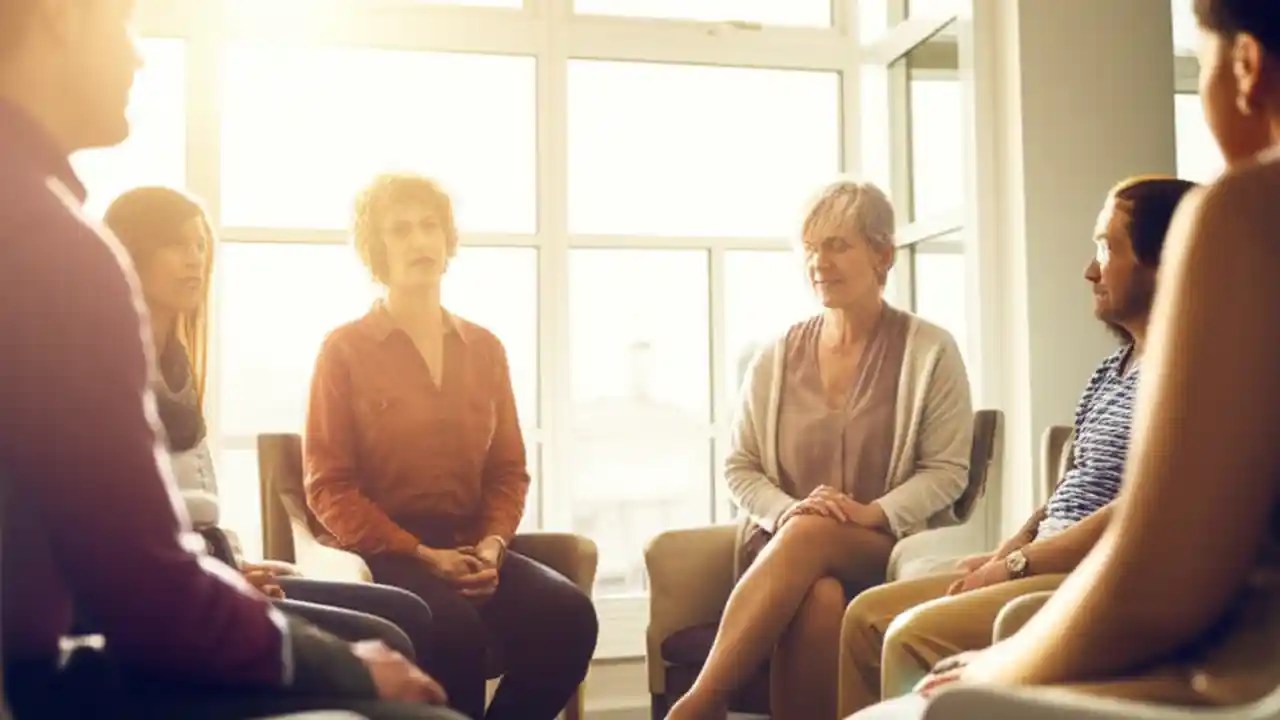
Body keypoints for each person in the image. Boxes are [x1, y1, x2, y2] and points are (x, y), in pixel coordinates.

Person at [0, 2, 455, 717]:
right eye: (124, 20)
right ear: (60, 16)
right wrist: (341, 668)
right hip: (25, 680)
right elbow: (144, 588)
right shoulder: (50, 249)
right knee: (412, 706)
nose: (138, 55)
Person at [855, 0, 1280, 715]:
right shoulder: (1112, 368)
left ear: (1246, 70)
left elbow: (1158, 584)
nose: (1089, 269)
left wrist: (1000, 663)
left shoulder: (1250, 218)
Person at [838, 176, 1197, 715]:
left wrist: (1015, 568)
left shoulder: (1187, 372)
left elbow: (1140, 510)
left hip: (1091, 577)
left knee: (907, 635)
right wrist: (1002, 554)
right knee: (864, 617)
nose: (1090, 269)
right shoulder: (1111, 371)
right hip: (1041, 563)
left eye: (1106, 247)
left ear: (1162, 261)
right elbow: (1065, 494)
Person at [667, 180, 974, 720]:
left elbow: (947, 471)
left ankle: (700, 703)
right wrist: (788, 510)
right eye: (810, 247)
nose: (818, 261)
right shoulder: (776, 356)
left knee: (811, 536)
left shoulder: (930, 350)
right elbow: (739, 466)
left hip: (883, 549)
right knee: (820, 596)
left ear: (883, 254)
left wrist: (870, 513)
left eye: (837, 245)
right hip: (780, 551)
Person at [104, 185, 439, 665]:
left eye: (200, 245)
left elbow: (200, 502)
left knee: (409, 612)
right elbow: (130, 531)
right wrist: (224, 571)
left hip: (212, 566)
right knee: (393, 634)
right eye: (176, 244)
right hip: (172, 595)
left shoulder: (178, 372)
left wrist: (236, 559)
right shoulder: (108, 373)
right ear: (131, 251)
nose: (193, 259)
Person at [305, 172, 598, 720]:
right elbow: (328, 487)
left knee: (571, 616)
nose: (419, 241)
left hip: (471, 547)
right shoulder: (343, 350)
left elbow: (509, 470)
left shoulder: (484, 348)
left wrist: (491, 545)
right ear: (376, 250)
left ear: (447, 240)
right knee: (455, 632)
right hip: (386, 555)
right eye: (400, 230)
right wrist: (421, 554)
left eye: (429, 226)